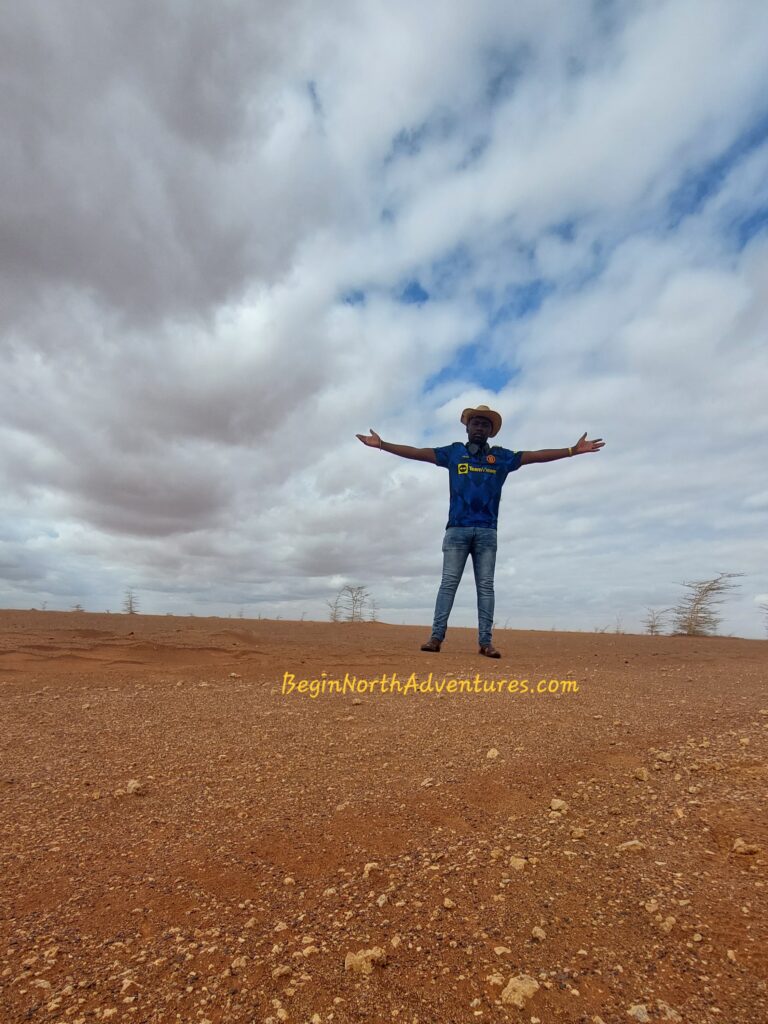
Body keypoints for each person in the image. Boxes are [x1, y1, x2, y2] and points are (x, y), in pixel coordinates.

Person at [356, 404, 604, 657]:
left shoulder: (502, 458)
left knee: (485, 587)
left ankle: (485, 643)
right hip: (456, 531)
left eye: (485, 424)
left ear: (490, 431)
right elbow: (418, 452)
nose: (479, 428)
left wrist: (572, 450)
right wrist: (383, 444)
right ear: (467, 427)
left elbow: (536, 455)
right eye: (475, 423)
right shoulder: (453, 453)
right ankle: (435, 638)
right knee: (448, 584)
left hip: (487, 532)